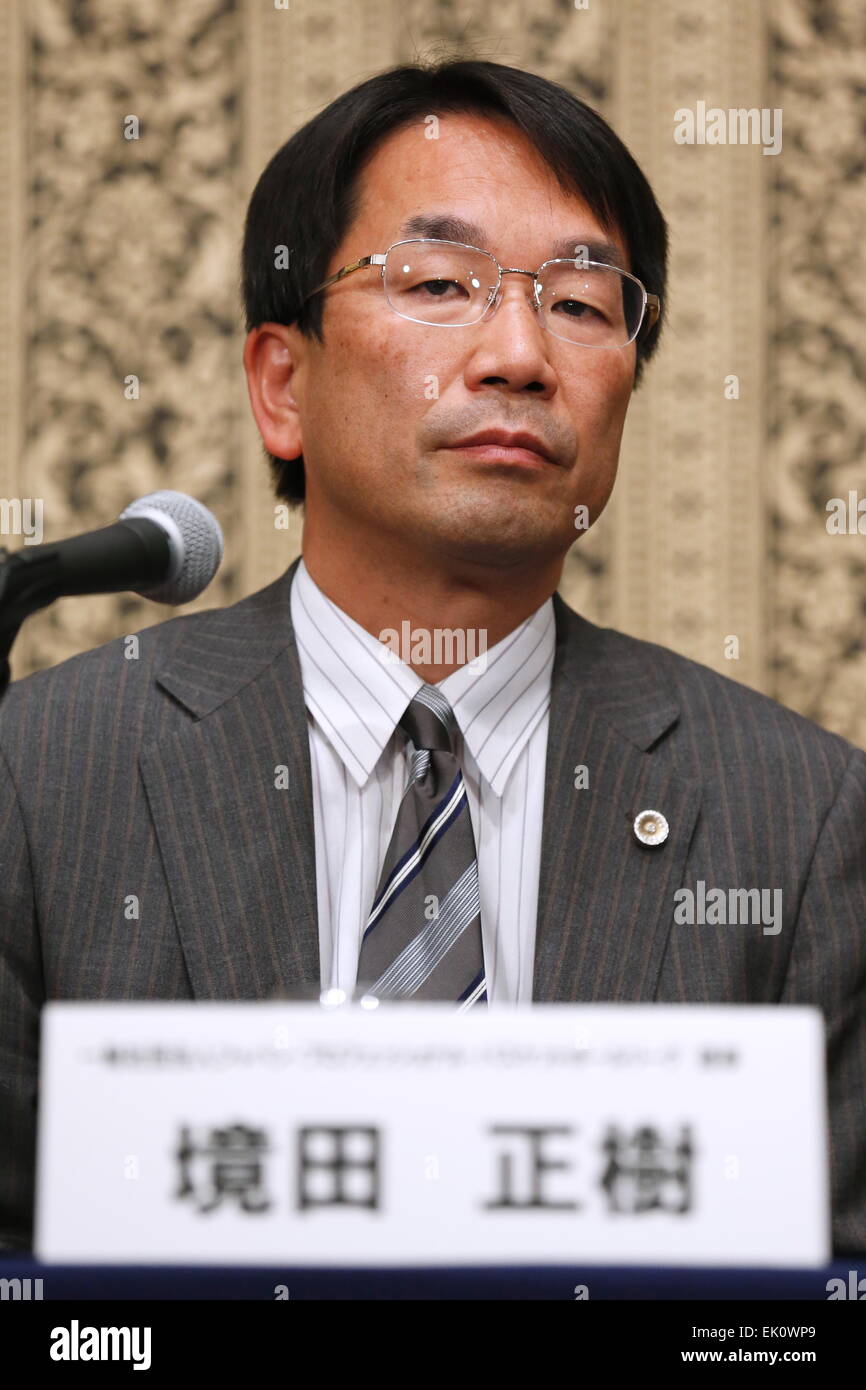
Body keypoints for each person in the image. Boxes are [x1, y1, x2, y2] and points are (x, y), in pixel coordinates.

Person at [1, 59, 864, 1256]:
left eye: (579, 302)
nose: (517, 354)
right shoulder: (46, 775)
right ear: (281, 383)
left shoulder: (799, 813)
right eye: (441, 282)